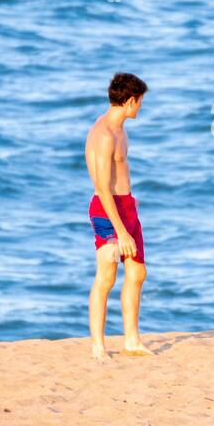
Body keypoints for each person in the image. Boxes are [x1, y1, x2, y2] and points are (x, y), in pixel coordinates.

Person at [84, 73, 150, 359]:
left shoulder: (121, 130)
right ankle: (98, 346)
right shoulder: (103, 135)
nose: (140, 109)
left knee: (137, 272)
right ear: (131, 100)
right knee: (107, 275)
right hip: (107, 209)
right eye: (140, 103)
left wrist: (129, 218)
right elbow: (101, 187)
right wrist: (120, 231)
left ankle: (132, 340)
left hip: (127, 207)